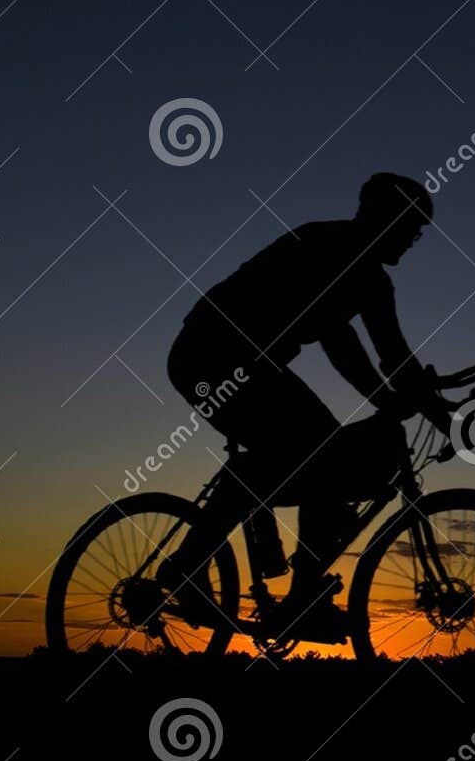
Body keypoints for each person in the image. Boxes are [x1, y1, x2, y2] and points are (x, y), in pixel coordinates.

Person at [156, 172, 451, 638]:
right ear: (381, 217)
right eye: (410, 227)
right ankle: (280, 592)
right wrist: (388, 401)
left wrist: (438, 410)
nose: (414, 239)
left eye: (419, 232)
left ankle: (278, 571)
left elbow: (394, 354)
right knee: (324, 453)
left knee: (310, 459)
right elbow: (341, 341)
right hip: (212, 355)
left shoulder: (375, 283)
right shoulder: (324, 244)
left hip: (251, 365)